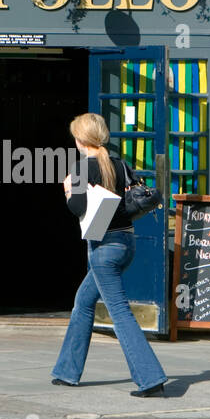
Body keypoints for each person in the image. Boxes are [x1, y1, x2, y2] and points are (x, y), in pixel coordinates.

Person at [51, 113, 169, 398]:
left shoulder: (82, 168)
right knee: (83, 302)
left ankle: (150, 378)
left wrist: (68, 190)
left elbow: (78, 207)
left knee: (119, 312)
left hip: (104, 249)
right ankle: (67, 372)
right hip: (126, 242)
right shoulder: (120, 164)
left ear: (80, 140)